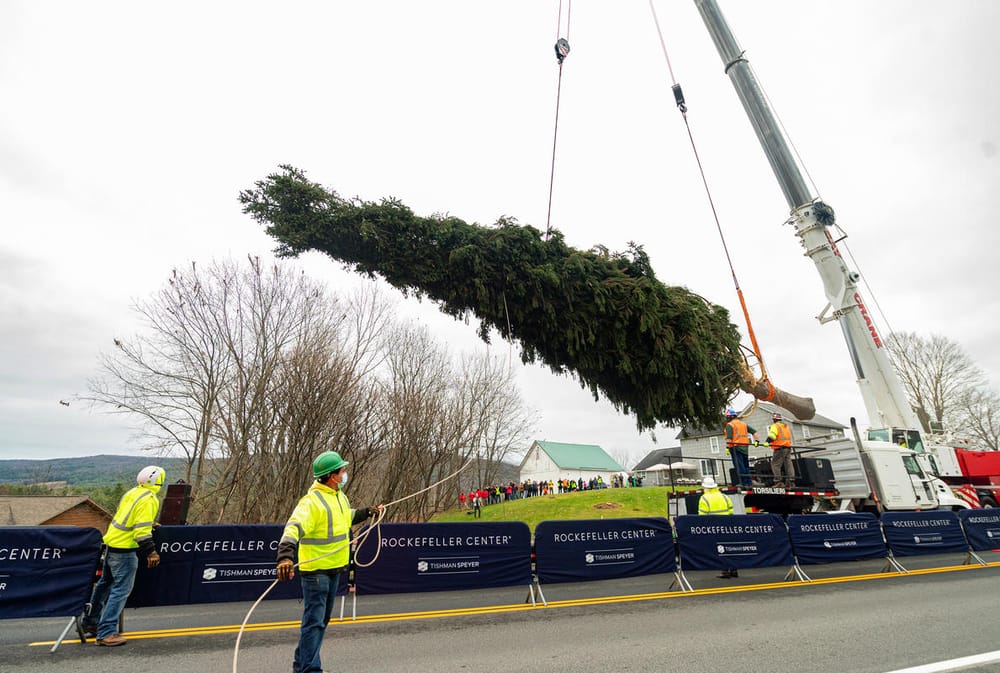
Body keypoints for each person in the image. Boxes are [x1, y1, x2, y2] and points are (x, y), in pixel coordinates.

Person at [276, 450, 382, 673]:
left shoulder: (339, 496)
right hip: (316, 571)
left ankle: (301, 665)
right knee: (314, 623)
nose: (345, 473)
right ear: (332, 476)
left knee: (320, 622)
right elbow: (293, 527)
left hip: (334, 568)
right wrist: (285, 556)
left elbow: (347, 516)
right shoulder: (311, 502)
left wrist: (367, 512)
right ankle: (309, 669)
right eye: (342, 471)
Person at [81, 465, 165, 646]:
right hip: (125, 551)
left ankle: (90, 623)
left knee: (103, 586)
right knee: (120, 591)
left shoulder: (133, 493)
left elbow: (128, 517)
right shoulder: (149, 499)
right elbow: (141, 532)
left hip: (112, 545)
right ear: (159, 482)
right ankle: (106, 633)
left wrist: (149, 522)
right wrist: (151, 552)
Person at [698, 476, 737, 578]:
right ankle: (734, 569)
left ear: (705, 487)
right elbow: (731, 511)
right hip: (727, 526)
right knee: (729, 548)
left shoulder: (704, 498)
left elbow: (702, 516)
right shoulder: (724, 496)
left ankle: (725, 571)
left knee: (720, 549)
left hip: (714, 527)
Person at [724, 408, 760, 488]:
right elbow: (754, 432)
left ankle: (744, 483)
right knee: (746, 466)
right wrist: (757, 441)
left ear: (730, 416)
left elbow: (729, 439)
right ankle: (749, 482)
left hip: (735, 447)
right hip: (745, 447)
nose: (726, 418)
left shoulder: (730, 425)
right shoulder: (743, 424)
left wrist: (727, 448)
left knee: (739, 466)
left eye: (727, 416)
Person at [767, 412, 795, 488]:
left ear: (774, 419)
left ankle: (778, 482)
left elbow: (772, 436)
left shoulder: (775, 426)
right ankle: (791, 481)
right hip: (788, 447)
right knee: (788, 464)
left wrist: (767, 442)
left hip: (780, 448)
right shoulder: (786, 426)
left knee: (775, 464)